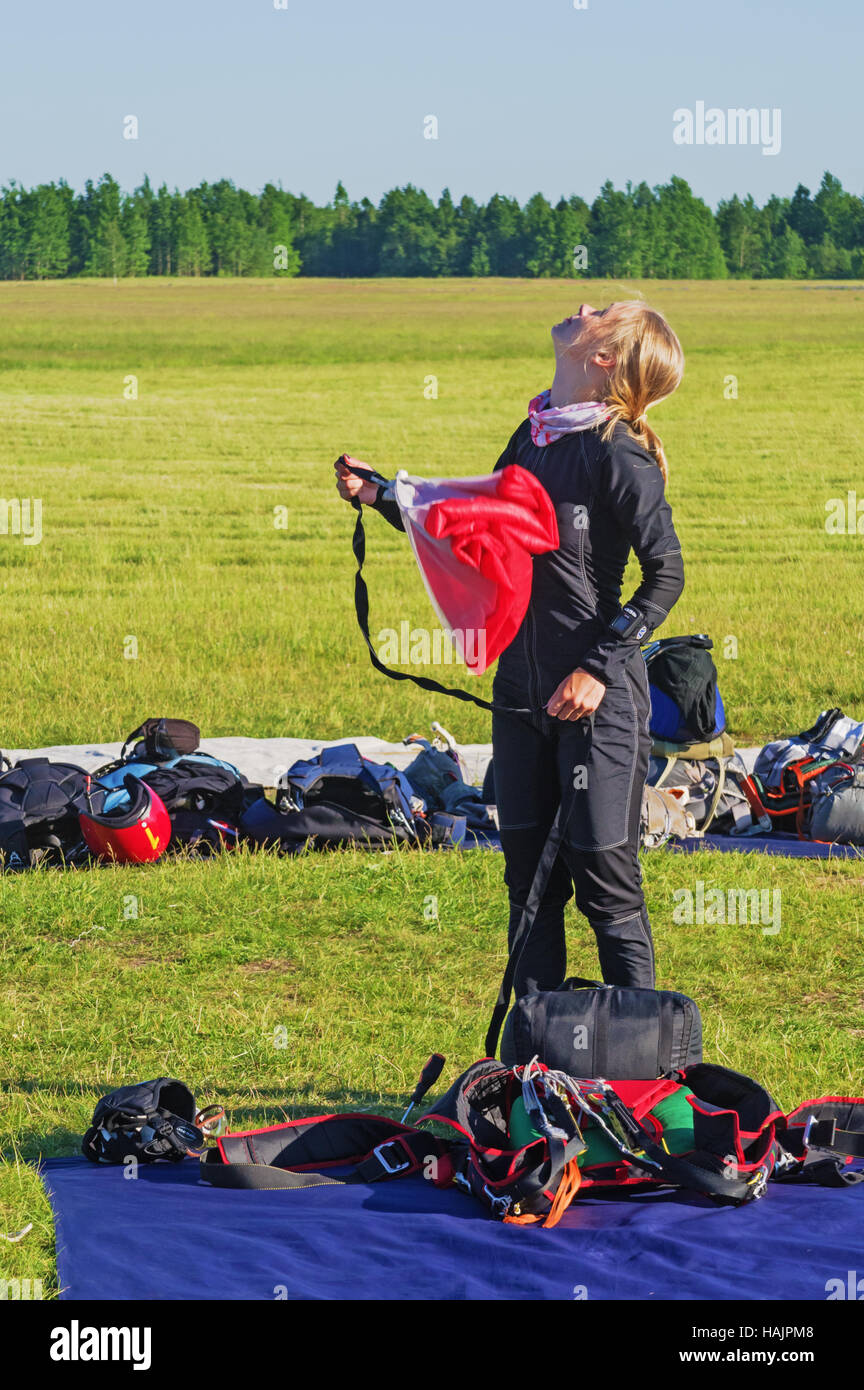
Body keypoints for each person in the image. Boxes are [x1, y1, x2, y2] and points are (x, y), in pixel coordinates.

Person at [335, 301, 685, 995]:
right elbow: (476, 526)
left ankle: (642, 1065)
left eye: (601, 312)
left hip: (598, 706)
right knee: (528, 889)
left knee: (605, 886)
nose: (582, 307)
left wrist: (597, 668)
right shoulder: (533, 440)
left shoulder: (616, 454)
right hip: (521, 697)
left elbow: (666, 574)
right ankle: (531, 1063)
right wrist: (381, 496)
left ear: (605, 357)